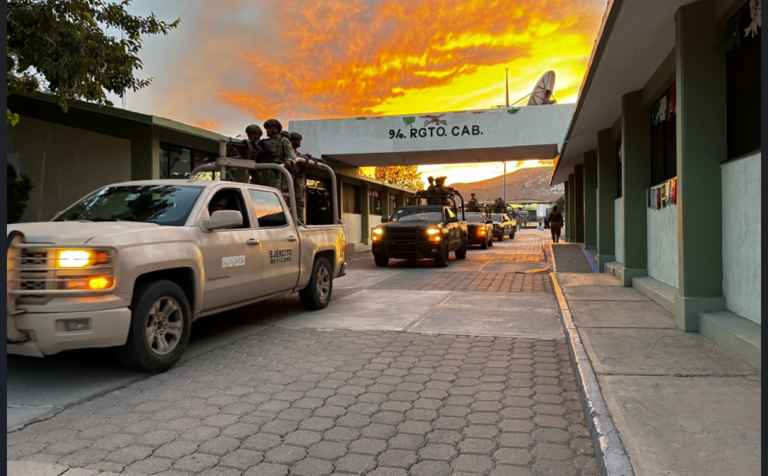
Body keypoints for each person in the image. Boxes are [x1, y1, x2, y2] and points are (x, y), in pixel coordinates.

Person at [258, 118, 297, 190]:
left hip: (277, 172)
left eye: (269, 128)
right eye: (267, 128)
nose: (267, 130)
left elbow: (291, 154)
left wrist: (290, 161)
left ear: (276, 129)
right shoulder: (264, 142)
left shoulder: (284, 141)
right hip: (263, 172)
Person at [287, 131, 316, 224]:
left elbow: (306, 167)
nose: (298, 142)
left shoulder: (298, 154)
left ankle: (298, 221)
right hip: (288, 182)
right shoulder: (288, 152)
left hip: (297, 183)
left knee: (299, 202)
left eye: (299, 140)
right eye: (296, 140)